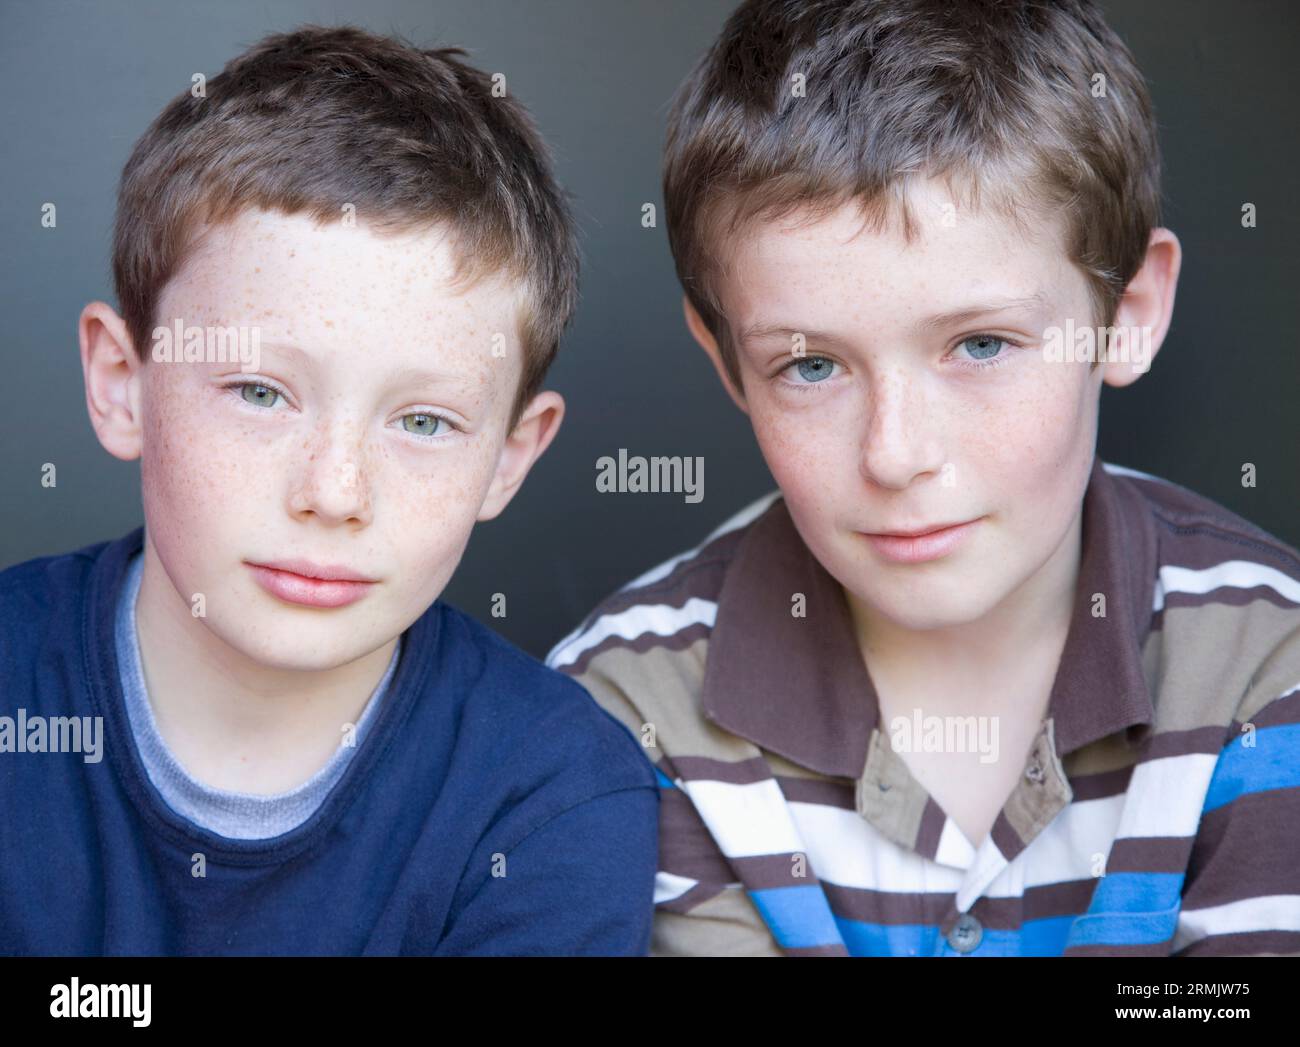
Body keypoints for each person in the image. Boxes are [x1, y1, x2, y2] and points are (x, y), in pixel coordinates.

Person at [548, 0, 1300, 956]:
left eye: (980, 344)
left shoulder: (1272, 674)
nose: (896, 455)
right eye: (811, 366)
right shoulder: (624, 711)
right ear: (727, 358)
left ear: (1130, 312)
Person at [0, 24, 657, 956]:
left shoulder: (553, 798)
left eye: (424, 421)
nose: (336, 491)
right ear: (121, 383)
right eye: (262, 392)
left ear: (510, 457)